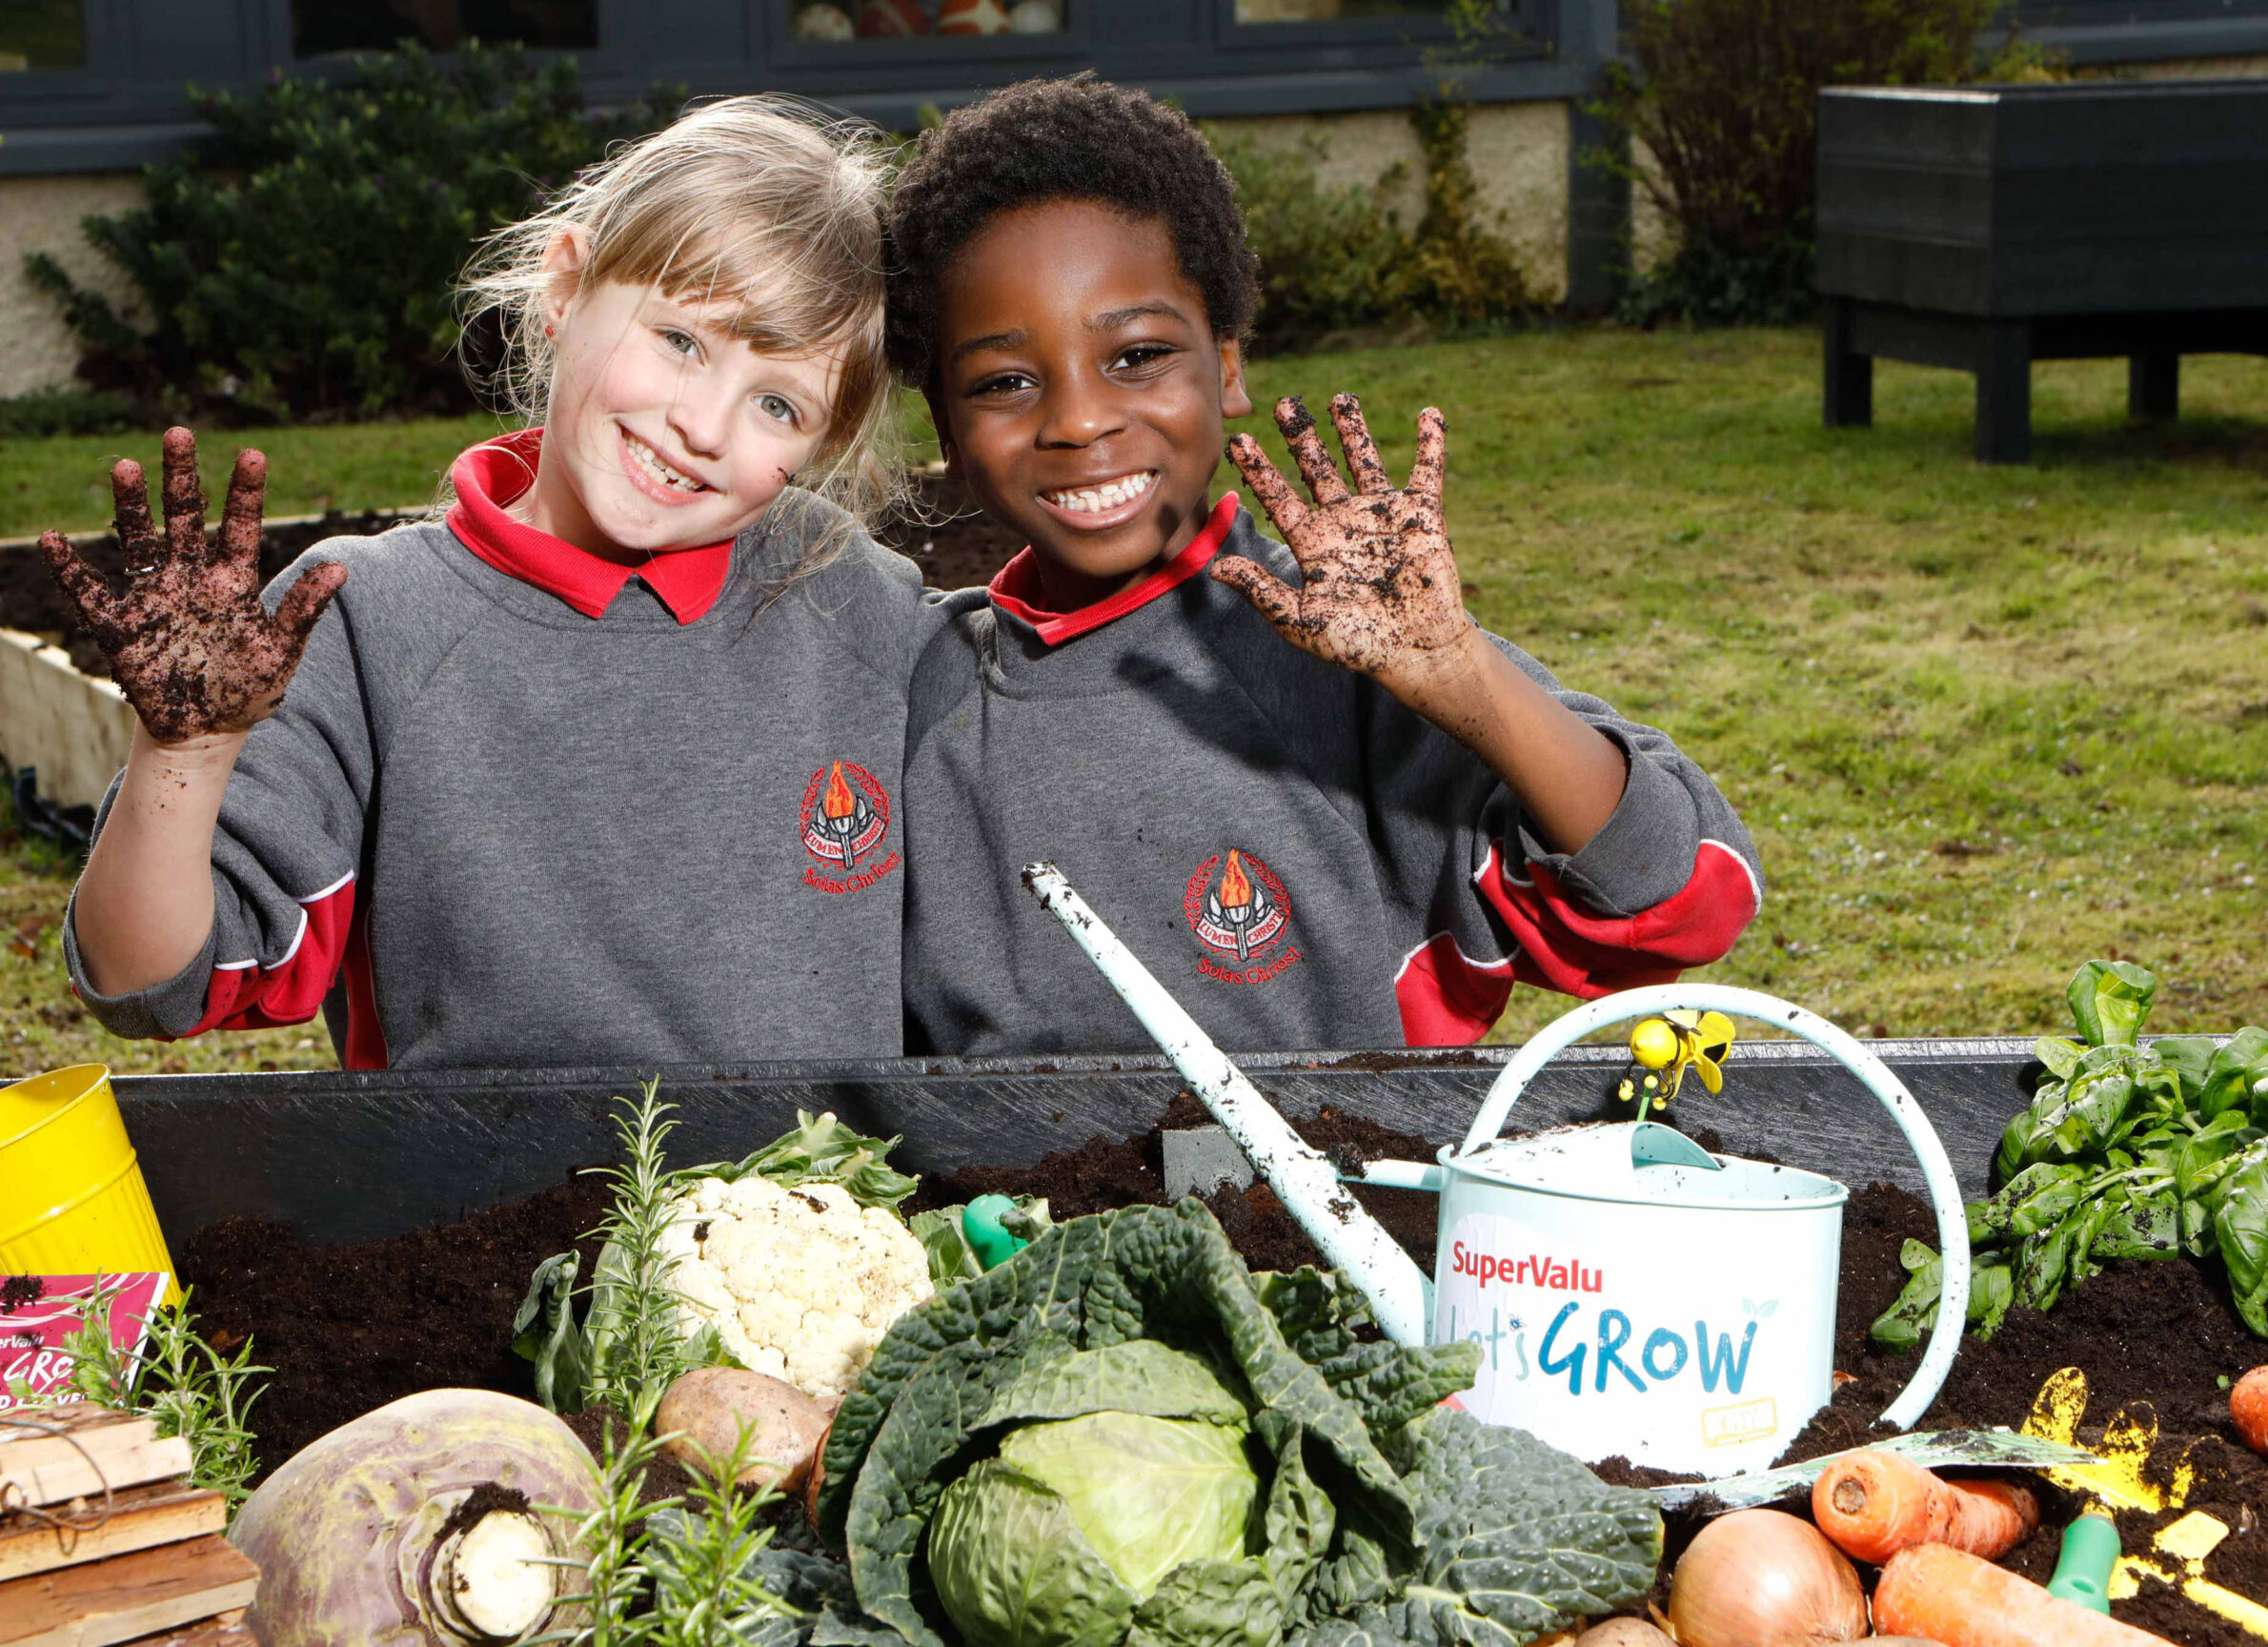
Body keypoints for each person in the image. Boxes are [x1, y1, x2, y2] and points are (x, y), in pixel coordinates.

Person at [44, 95, 934, 1071]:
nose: (707, 427)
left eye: (777, 404)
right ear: (564, 288)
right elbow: (150, 985)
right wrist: (185, 754)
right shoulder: (367, 626)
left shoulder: (860, 606)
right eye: (682, 342)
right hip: (494, 1214)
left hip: (816, 1217)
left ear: (824, 443)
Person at [890, 76, 1762, 1057]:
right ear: (948, 432)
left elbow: (1682, 899)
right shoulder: (913, 693)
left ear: (1227, 365)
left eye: (1135, 356)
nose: (1080, 419)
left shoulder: (1349, 660)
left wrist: (1464, 677)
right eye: (1005, 381)